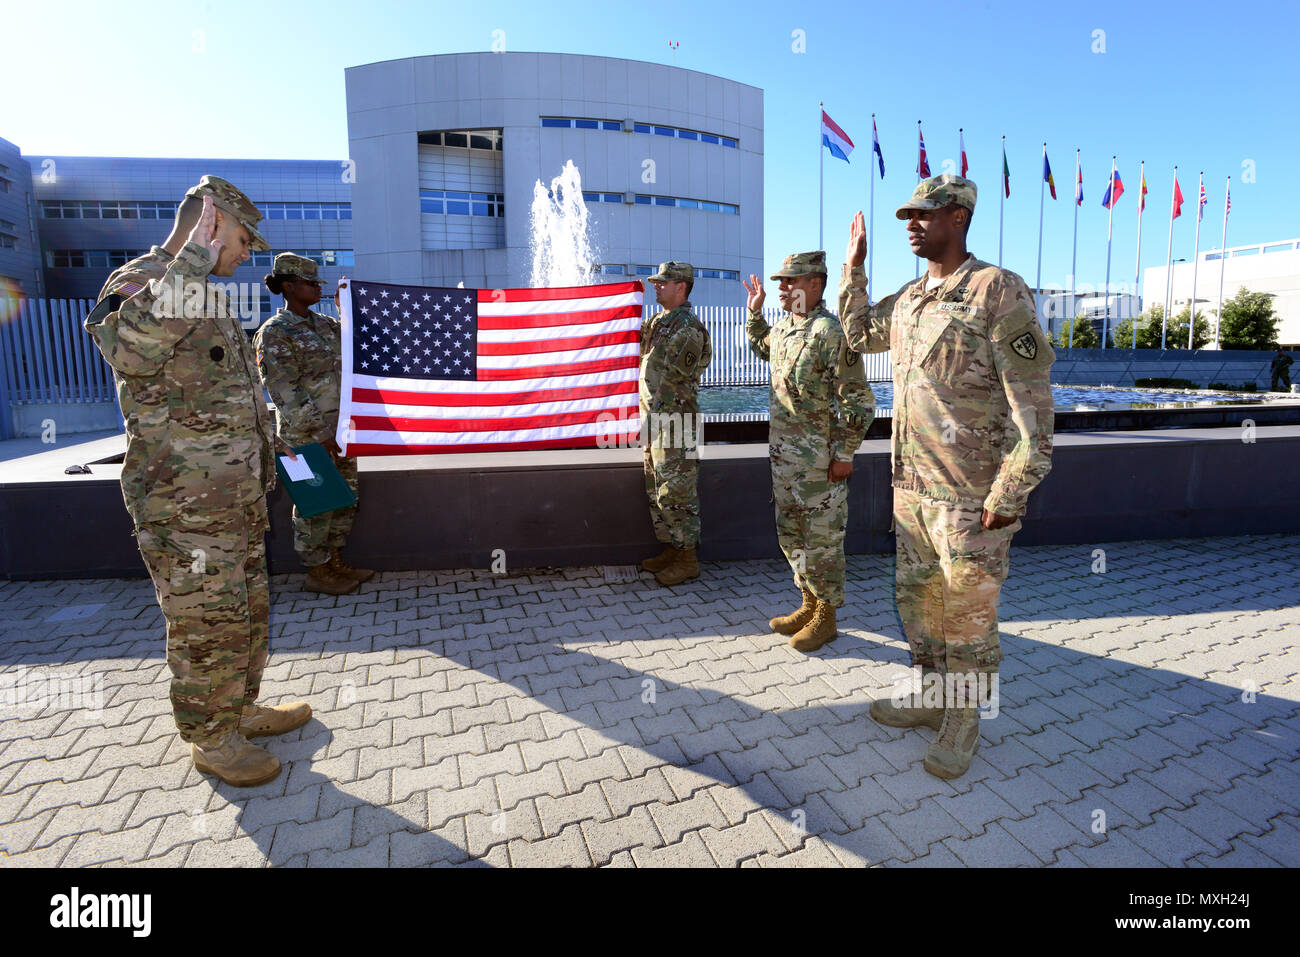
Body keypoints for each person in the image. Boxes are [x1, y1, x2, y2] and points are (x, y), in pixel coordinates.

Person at [84, 176, 311, 788]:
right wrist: (191, 262)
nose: (247, 253)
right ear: (209, 224)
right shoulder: (141, 284)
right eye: (240, 239)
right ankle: (211, 739)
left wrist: (272, 447)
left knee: (245, 611)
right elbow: (131, 352)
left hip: (233, 498)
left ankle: (238, 711)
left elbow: (230, 394)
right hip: (182, 507)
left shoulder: (207, 295)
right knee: (204, 622)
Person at [837, 174, 1055, 779]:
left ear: (958, 217)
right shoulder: (910, 299)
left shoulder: (997, 290)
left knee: (967, 615)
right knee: (919, 606)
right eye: (907, 215)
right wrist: (854, 270)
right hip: (912, 491)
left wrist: (1011, 491)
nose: (911, 223)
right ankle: (933, 700)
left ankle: (964, 720)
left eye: (924, 214)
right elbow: (857, 336)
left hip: (971, 495)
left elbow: (1033, 404)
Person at [743, 251, 873, 652]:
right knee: (791, 536)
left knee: (823, 541)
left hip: (819, 463)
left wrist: (845, 454)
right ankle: (808, 603)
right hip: (785, 460)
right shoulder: (785, 329)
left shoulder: (830, 333)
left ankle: (826, 617)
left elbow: (858, 400)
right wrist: (755, 313)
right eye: (780, 281)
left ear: (815, 285)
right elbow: (763, 347)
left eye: (790, 281)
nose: (782, 288)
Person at [254, 254, 372, 595]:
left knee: (344, 498)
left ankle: (334, 560)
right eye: (311, 283)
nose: (318, 287)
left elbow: (357, 345)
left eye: (319, 282)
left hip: (339, 432)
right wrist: (319, 431)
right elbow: (282, 390)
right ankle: (316, 571)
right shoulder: (275, 333)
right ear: (289, 286)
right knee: (316, 500)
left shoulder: (326, 326)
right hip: (304, 437)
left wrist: (345, 308)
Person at [638, 262, 712, 586]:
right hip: (654, 420)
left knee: (677, 492)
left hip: (675, 421)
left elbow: (675, 381)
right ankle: (670, 547)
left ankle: (688, 558)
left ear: (681, 287)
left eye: (663, 282)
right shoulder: (658, 322)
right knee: (657, 490)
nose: (656, 286)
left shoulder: (689, 328)